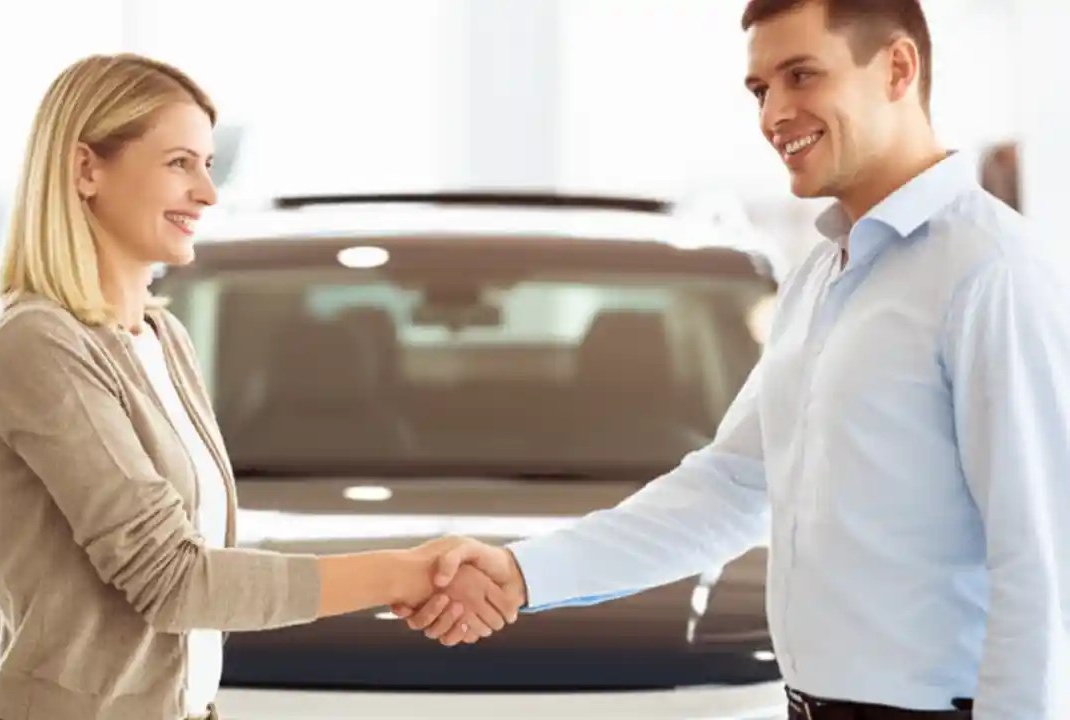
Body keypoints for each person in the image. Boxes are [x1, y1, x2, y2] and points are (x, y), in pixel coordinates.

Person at [395, 1, 1070, 718]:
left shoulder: (990, 271)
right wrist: (522, 570)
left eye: (801, 75)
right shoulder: (821, 275)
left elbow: (1045, 566)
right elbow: (730, 487)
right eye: (760, 90)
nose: (774, 115)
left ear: (898, 68)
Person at [0, 53, 518, 720]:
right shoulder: (39, 343)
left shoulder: (163, 339)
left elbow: (201, 568)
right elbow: (173, 580)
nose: (207, 192)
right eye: (179, 163)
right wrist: (408, 572)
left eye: (207, 164)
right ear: (86, 169)